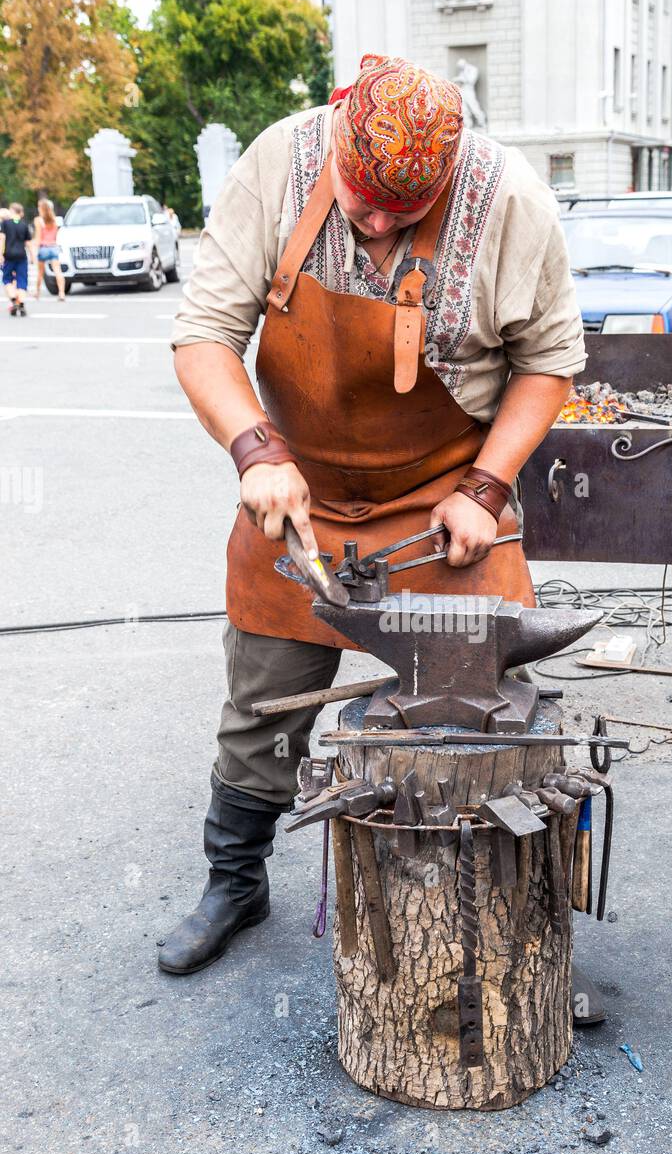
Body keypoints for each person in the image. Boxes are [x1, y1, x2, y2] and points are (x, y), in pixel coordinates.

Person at [164, 53, 589, 985]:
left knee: (487, 720)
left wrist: (485, 489)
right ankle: (234, 883)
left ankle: (510, 914)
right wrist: (254, 451)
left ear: (448, 173)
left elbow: (550, 361)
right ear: (341, 136)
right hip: (297, 497)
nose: (383, 222)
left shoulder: (511, 201)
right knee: (262, 711)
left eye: (409, 209)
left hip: (444, 499)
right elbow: (203, 337)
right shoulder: (279, 164)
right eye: (365, 199)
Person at [1, 202, 32, 316]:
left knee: (7, 279)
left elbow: (2, 239)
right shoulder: (24, 225)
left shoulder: (5, 223)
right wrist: (33, 256)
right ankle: (21, 303)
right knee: (22, 280)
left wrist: (0, 254)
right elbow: (28, 243)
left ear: (12, 210)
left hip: (8, 255)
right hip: (21, 255)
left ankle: (14, 300)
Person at [33, 199, 65, 301]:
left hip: (43, 248)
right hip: (53, 247)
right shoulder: (55, 220)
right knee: (58, 271)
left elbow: (38, 237)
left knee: (40, 272)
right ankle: (61, 293)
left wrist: (35, 251)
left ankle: (37, 292)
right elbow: (56, 236)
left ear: (41, 208)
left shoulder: (38, 220)